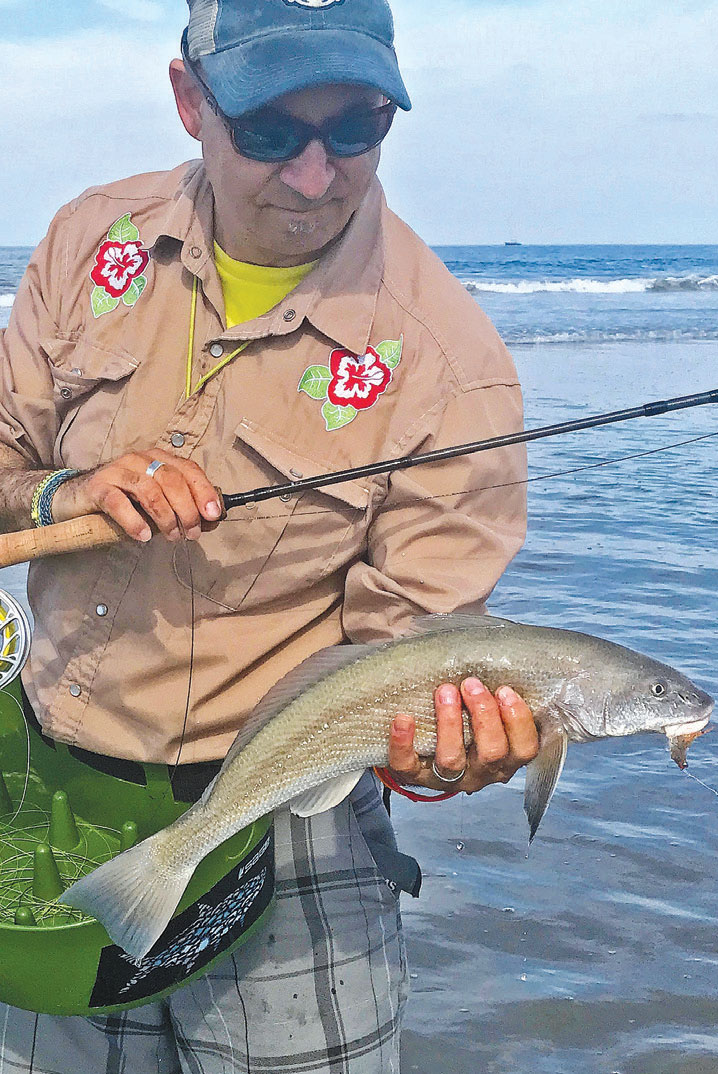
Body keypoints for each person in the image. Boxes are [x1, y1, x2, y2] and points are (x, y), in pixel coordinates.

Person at [0, 0, 536, 1070]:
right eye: (271, 132)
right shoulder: (86, 242)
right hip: (44, 785)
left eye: (357, 127)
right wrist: (66, 492)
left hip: (293, 831)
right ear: (190, 100)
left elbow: (406, 660)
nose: (315, 174)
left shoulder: (449, 363)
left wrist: (447, 757)